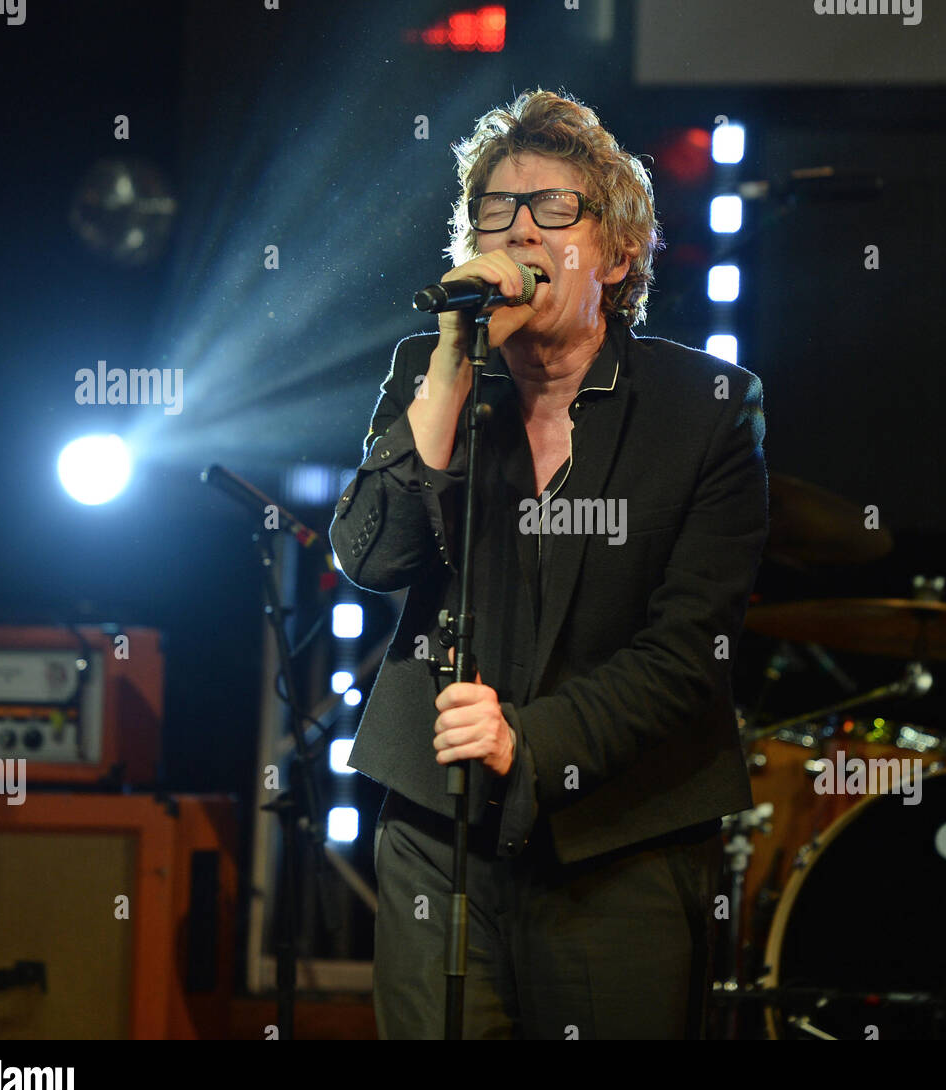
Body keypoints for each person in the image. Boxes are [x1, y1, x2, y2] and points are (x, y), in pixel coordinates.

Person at [329, 89, 768, 1039]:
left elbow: (691, 656)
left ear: (616, 253)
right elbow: (372, 555)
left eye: (553, 210)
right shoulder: (433, 373)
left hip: (621, 836)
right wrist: (449, 366)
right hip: (438, 835)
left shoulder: (706, 407)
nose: (519, 230)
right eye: (495, 211)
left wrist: (526, 740)